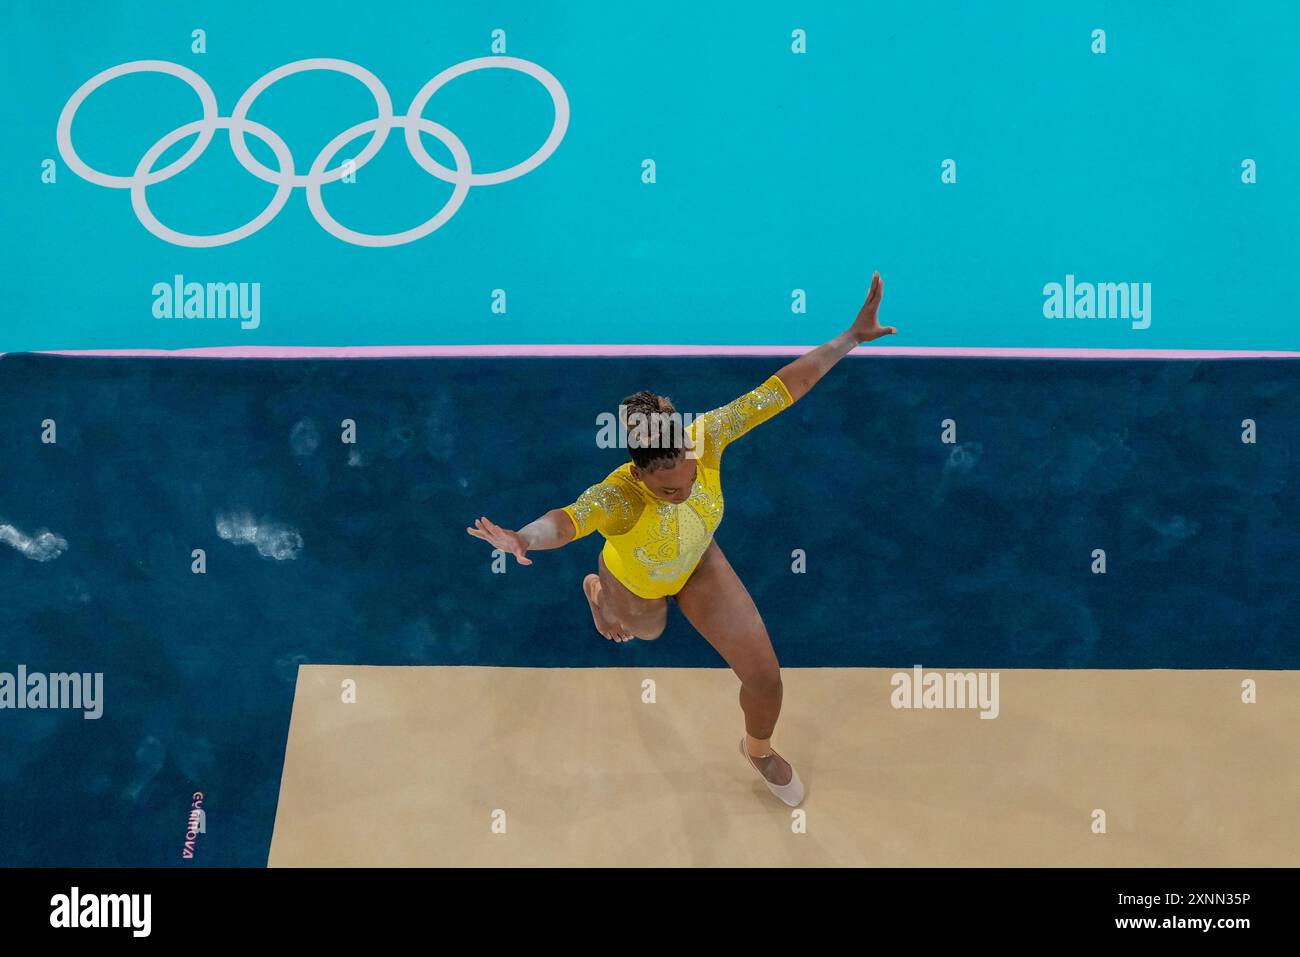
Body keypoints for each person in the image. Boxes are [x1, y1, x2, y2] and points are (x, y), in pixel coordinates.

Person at [468, 273, 894, 805]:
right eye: (669, 488)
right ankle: (598, 597)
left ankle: (757, 749)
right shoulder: (618, 497)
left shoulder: (707, 437)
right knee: (645, 631)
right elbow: (567, 519)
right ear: (638, 472)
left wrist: (850, 337)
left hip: (699, 561)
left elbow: (785, 388)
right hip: (636, 582)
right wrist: (522, 538)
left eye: (689, 475)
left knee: (765, 678)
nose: (685, 487)